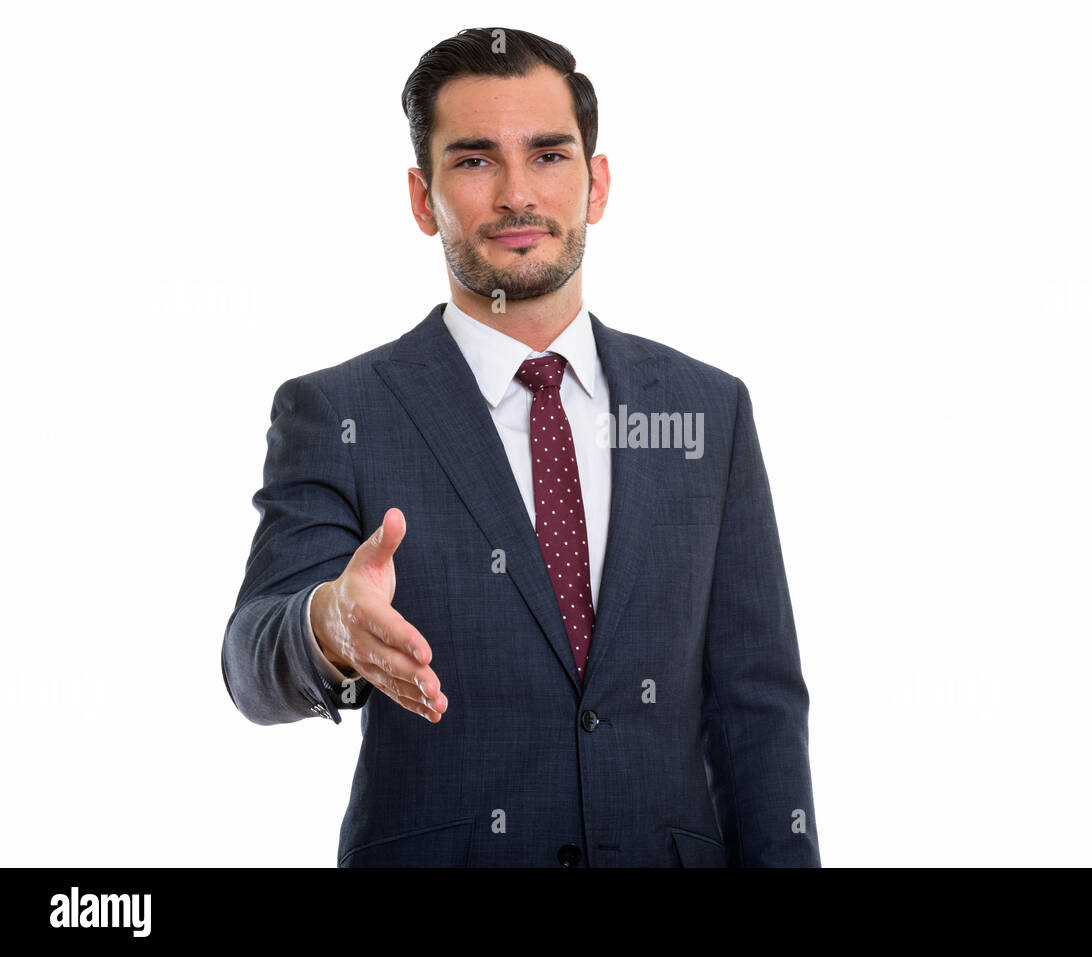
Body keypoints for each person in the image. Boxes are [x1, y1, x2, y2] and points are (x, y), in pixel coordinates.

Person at [221, 26, 820, 867]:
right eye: (472, 161)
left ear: (596, 183)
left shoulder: (707, 410)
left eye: (547, 156)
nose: (515, 195)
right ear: (422, 198)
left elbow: (759, 708)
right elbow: (253, 656)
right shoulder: (337, 410)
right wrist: (329, 625)